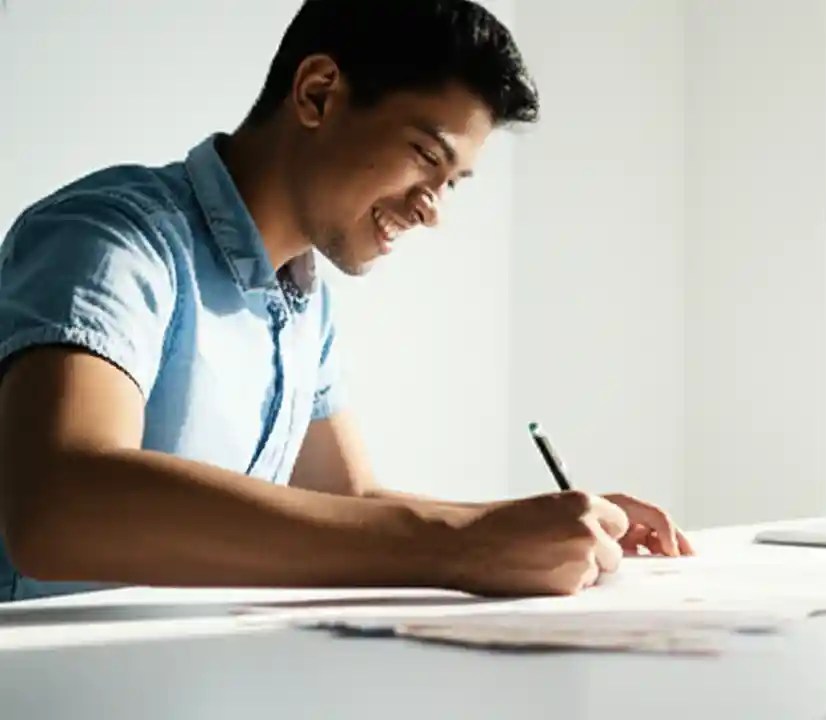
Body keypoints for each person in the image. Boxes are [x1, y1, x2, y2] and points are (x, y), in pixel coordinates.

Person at [0, 0, 692, 603]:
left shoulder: (305, 301)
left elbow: (347, 504)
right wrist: (460, 545)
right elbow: (59, 506)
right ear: (318, 93)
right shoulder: (112, 238)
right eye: (426, 156)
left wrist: (540, 523)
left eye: (453, 183)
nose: (432, 211)